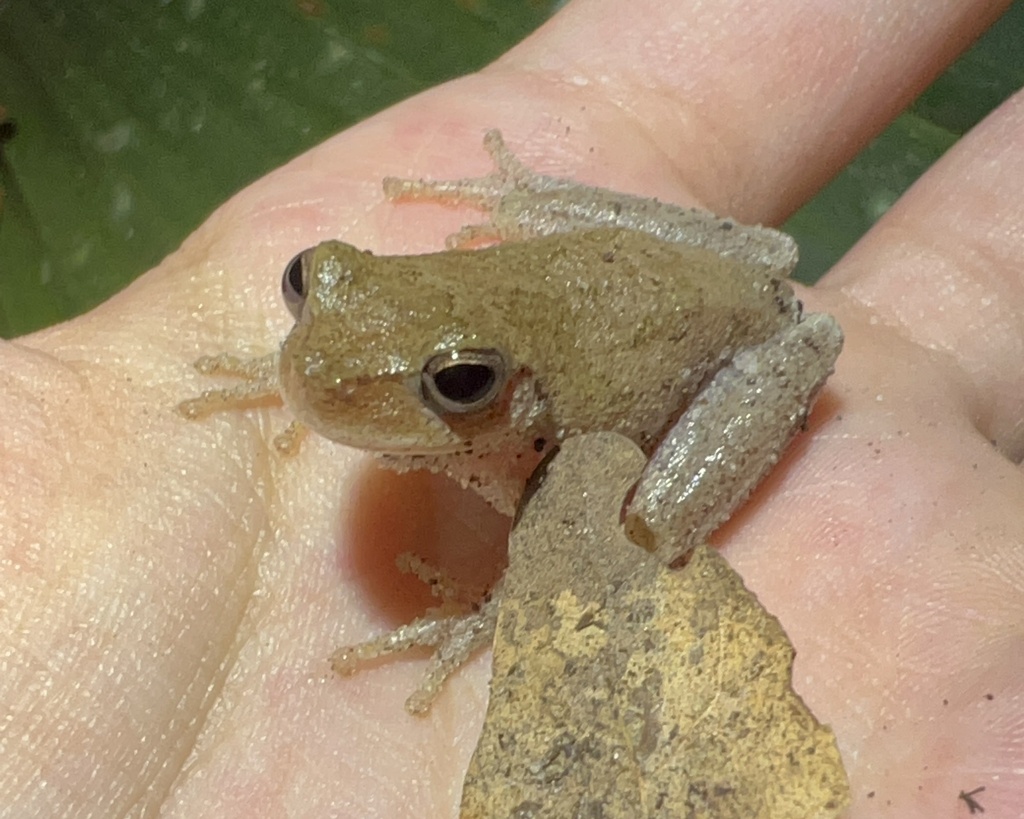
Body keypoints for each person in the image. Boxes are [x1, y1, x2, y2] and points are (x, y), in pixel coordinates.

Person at [2, 0, 1022, 815]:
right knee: (408, 335)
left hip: (727, 347)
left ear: (490, 391)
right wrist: (297, 369)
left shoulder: (538, 440)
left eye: (456, 385)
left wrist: (491, 612)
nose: (316, 366)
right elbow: (356, 345)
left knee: (639, 521)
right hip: (622, 277)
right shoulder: (364, 343)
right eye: (309, 285)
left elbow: (568, 536)